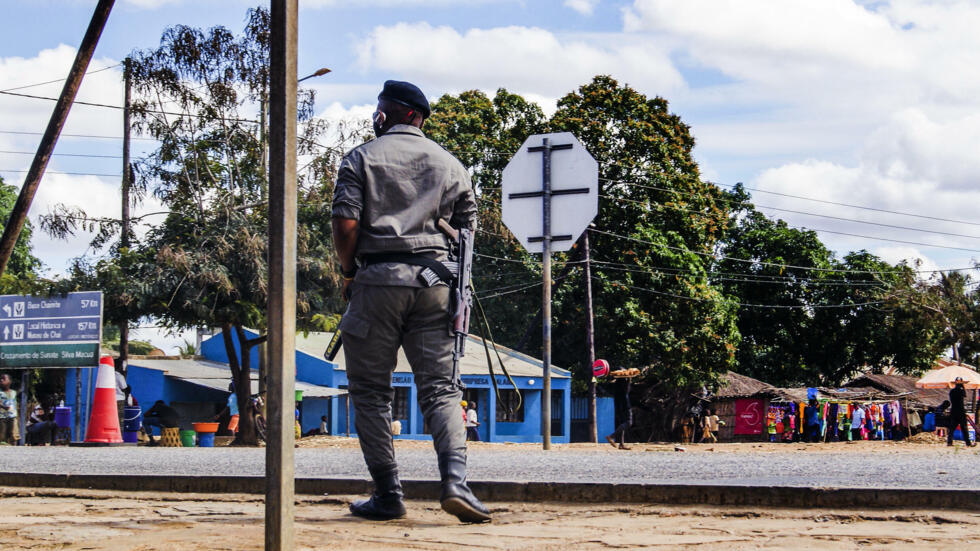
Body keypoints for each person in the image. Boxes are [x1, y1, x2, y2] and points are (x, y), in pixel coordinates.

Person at [332, 80, 487, 523]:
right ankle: (456, 484)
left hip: (376, 281)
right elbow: (468, 238)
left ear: (403, 114)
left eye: (381, 109)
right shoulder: (451, 165)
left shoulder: (360, 158)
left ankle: (387, 494)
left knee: (370, 393)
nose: (376, 116)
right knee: (441, 389)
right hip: (436, 284)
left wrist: (349, 273)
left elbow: (345, 226)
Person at [605, 377, 632, 450]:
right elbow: (627, 390)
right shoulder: (624, 384)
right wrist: (629, 379)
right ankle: (611, 436)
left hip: (619, 408)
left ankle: (621, 444)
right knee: (629, 422)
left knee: (622, 424)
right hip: (625, 407)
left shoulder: (616, 385)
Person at [947, 377, 975, 447]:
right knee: (964, 428)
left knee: (952, 428)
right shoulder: (961, 390)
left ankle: (949, 442)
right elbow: (964, 395)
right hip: (961, 411)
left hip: (953, 411)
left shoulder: (952, 391)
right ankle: (968, 443)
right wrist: (962, 386)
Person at [0, 373, 17, 445]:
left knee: (13, 432)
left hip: (12, 415)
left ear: (9, 381)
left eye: (4, 379)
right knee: (2, 432)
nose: (1, 380)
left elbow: (14, 402)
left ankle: (13, 444)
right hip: (2, 416)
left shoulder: (13, 392)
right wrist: (3, 407)